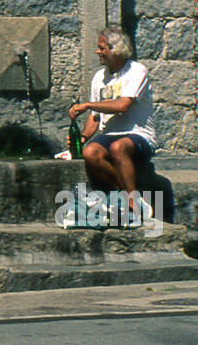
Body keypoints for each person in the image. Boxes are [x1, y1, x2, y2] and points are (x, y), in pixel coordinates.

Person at [68, 25, 158, 226]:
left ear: (116, 49)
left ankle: (134, 206)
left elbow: (122, 105)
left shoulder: (136, 71)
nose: (97, 52)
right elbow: (95, 118)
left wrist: (88, 104)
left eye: (102, 48)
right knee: (90, 152)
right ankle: (127, 195)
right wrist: (81, 139)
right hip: (110, 134)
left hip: (138, 135)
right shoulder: (99, 78)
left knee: (119, 148)